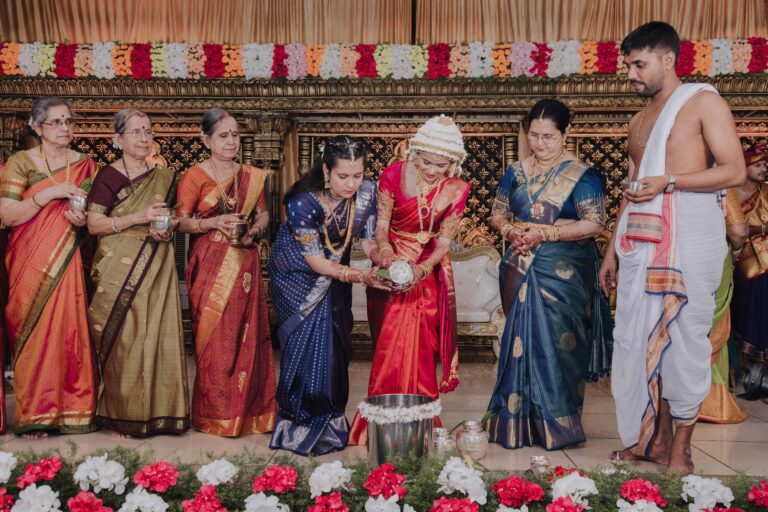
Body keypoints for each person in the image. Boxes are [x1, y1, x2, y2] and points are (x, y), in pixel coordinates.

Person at [599, 22, 745, 473]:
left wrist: (673, 181)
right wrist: (610, 252)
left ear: (667, 59)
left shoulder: (703, 102)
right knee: (638, 339)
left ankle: (680, 444)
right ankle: (653, 441)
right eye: (627, 66)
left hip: (689, 239)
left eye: (639, 65)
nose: (631, 75)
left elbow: (735, 170)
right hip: (640, 243)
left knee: (684, 340)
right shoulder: (638, 120)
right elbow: (634, 188)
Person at [485, 99, 613, 450]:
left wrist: (546, 233)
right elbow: (497, 213)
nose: (539, 144)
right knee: (518, 343)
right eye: (534, 136)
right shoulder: (515, 171)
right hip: (520, 259)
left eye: (549, 137)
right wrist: (510, 231)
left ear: (566, 134)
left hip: (565, 269)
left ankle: (558, 423)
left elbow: (595, 223)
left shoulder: (583, 175)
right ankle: (514, 422)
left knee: (558, 346)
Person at [349, 115, 471, 446]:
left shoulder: (458, 189)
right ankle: (378, 418)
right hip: (393, 266)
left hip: (427, 271)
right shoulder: (393, 174)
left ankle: (420, 419)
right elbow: (381, 223)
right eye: (425, 161)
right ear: (414, 153)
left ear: (453, 163)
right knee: (389, 344)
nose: (432, 170)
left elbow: (444, 242)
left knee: (421, 348)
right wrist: (386, 251)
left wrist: (423, 268)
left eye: (441, 164)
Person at [268, 135, 384, 456]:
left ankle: (331, 421)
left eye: (358, 175)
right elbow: (317, 261)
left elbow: (368, 239)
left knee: (336, 347)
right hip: (297, 279)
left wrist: (381, 259)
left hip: (336, 277)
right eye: (343, 176)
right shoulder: (303, 202)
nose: (351, 184)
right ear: (326, 170)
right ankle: (296, 424)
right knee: (305, 348)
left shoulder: (366, 194)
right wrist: (361, 276)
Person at [86, 108, 189, 437]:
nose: (144, 138)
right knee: (125, 339)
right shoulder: (108, 176)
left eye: (148, 131)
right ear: (118, 139)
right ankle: (121, 415)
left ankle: (162, 413)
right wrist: (138, 217)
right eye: (136, 132)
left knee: (157, 336)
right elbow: (94, 223)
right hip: (118, 262)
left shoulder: (165, 175)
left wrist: (165, 230)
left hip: (156, 263)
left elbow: (170, 220)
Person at [0, 96, 97, 437]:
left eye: (68, 121)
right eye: (56, 122)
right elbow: (8, 215)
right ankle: (37, 415)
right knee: (34, 332)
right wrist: (47, 195)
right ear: (36, 126)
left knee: (68, 331)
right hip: (28, 259)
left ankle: (73, 411)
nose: (64, 128)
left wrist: (82, 218)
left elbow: (90, 217)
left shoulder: (86, 164)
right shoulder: (20, 162)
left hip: (67, 258)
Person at [176, 108, 276, 436]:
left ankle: (248, 414)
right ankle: (215, 414)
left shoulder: (251, 174)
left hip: (244, 260)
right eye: (223, 135)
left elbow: (264, 215)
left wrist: (255, 231)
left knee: (246, 337)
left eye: (234, 134)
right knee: (214, 339)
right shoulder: (194, 176)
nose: (231, 141)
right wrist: (213, 222)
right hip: (209, 263)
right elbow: (182, 220)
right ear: (206, 140)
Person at [699, 188, 749, 423]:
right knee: (713, 320)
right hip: (714, 253)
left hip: (673, 255)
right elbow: (738, 230)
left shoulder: (668, 171)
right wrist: (737, 251)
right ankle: (710, 403)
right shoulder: (719, 181)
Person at [731, 143, 768, 393]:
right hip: (741, 261)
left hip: (765, 262)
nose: (763, 169)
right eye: (758, 165)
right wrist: (758, 230)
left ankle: (761, 368)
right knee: (745, 308)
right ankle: (746, 366)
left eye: (765, 165)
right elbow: (731, 227)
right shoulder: (731, 194)